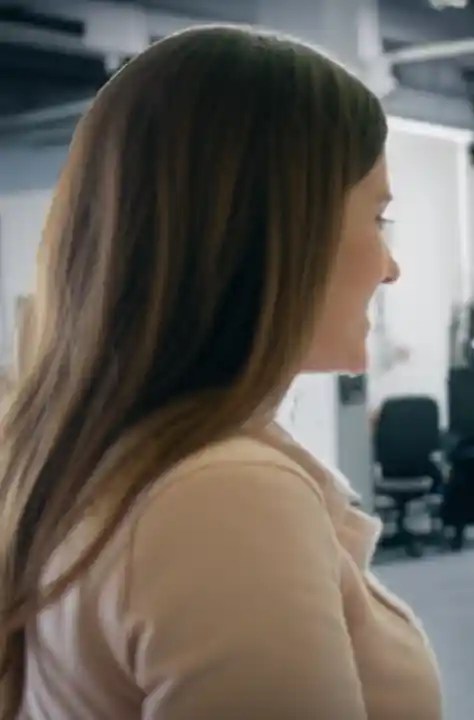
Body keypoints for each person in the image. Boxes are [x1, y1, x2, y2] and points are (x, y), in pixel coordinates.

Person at [0, 25, 442, 720]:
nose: (390, 267)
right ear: (277, 229)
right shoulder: (224, 493)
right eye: (377, 217)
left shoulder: (92, 454)